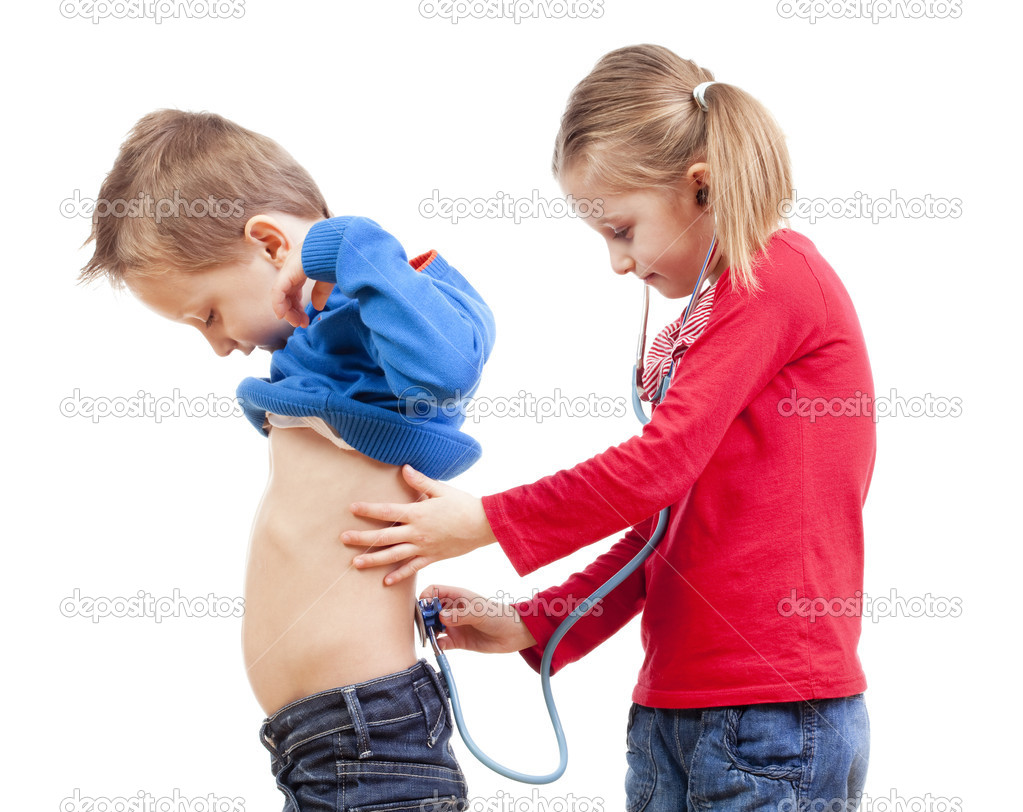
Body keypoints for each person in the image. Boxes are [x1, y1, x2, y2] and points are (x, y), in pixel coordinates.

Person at [332, 45, 875, 810]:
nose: (618, 263)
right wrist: (535, 624)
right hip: (676, 710)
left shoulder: (777, 279)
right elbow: (663, 527)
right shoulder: (721, 310)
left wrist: (482, 520)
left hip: (771, 717)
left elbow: (656, 466)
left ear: (702, 189)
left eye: (621, 230)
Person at [77, 109, 495, 812]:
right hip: (316, 743)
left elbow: (447, 368)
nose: (217, 345)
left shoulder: (393, 307)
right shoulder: (316, 349)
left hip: (375, 741)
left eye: (207, 313)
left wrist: (347, 242)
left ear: (271, 242)